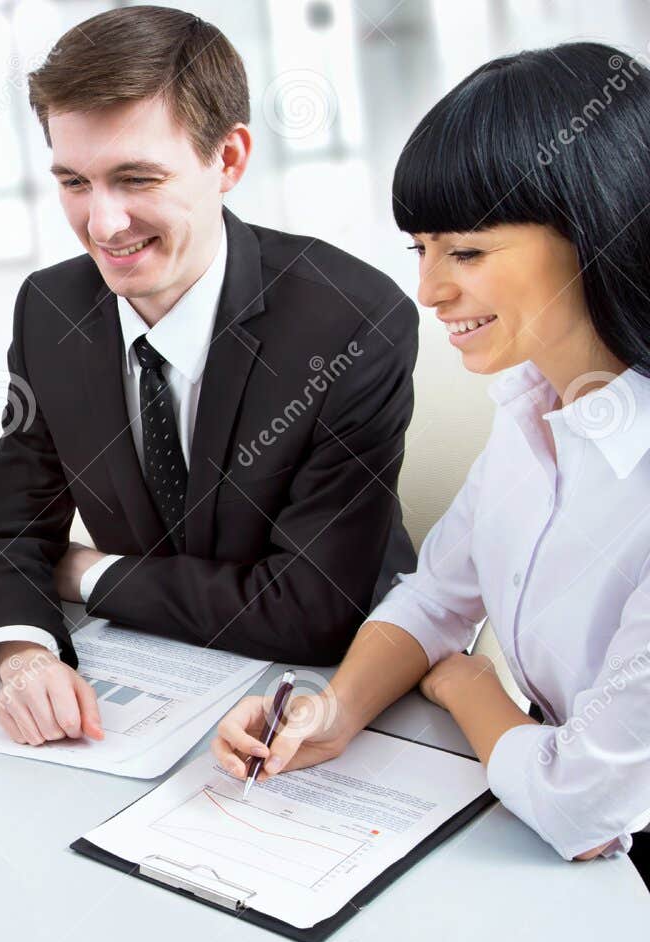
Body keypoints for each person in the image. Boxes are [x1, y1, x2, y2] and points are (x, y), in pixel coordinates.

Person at [213, 42, 650, 880]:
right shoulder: (535, 405)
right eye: (422, 249)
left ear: (597, 228)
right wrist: (330, 712)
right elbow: (436, 595)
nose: (430, 290)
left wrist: (468, 691)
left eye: (468, 252)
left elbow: (581, 808)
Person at [0, 6, 416, 749]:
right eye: (74, 181)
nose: (102, 225)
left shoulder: (351, 323)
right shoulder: (51, 310)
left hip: (328, 701)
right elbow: (7, 530)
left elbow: (311, 608)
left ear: (228, 160)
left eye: (136, 178)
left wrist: (91, 574)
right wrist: (25, 656)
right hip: (145, 698)